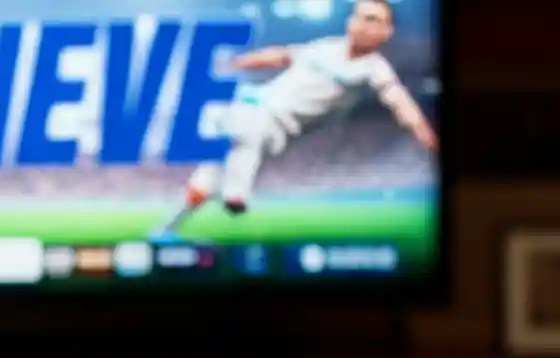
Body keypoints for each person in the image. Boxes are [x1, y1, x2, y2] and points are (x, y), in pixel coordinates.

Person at [153, 0, 438, 239]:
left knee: (245, 128)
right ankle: (166, 230)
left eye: (373, 19)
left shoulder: (374, 69)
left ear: (387, 31)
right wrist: (237, 62)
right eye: (359, 16)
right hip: (255, 104)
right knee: (207, 175)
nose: (363, 23)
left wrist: (423, 131)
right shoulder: (326, 46)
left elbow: (400, 102)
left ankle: (236, 193)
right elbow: (281, 56)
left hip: (274, 125)